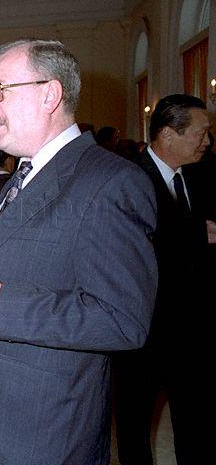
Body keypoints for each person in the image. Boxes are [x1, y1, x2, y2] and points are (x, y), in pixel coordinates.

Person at [0, 39, 158, 465]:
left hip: (46, 430)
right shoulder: (26, 172)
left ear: (50, 94)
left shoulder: (110, 182)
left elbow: (122, 320)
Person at [114, 94, 215, 464]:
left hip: (191, 329)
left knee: (196, 423)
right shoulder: (129, 179)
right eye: (201, 133)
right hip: (144, 332)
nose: (207, 141)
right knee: (134, 426)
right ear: (169, 135)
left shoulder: (197, 175)